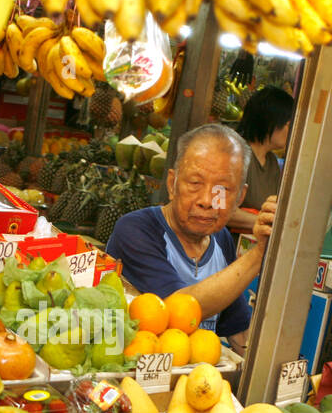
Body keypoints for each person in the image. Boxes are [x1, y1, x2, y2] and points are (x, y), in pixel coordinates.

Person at [106, 123, 274, 354]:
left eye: (222, 190)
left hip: (199, 384)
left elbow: (238, 332)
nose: (206, 200)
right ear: (172, 184)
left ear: (240, 197)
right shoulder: (136, 230)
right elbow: (180, 309)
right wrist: (258, 254)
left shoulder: (221, 239)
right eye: (195, 183)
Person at [237, 86, 296, 212]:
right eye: (288, 124)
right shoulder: (237, 155)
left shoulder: (272, 162)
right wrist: (261, 221)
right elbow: (221, 209)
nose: (291, 132)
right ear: (271, 122)